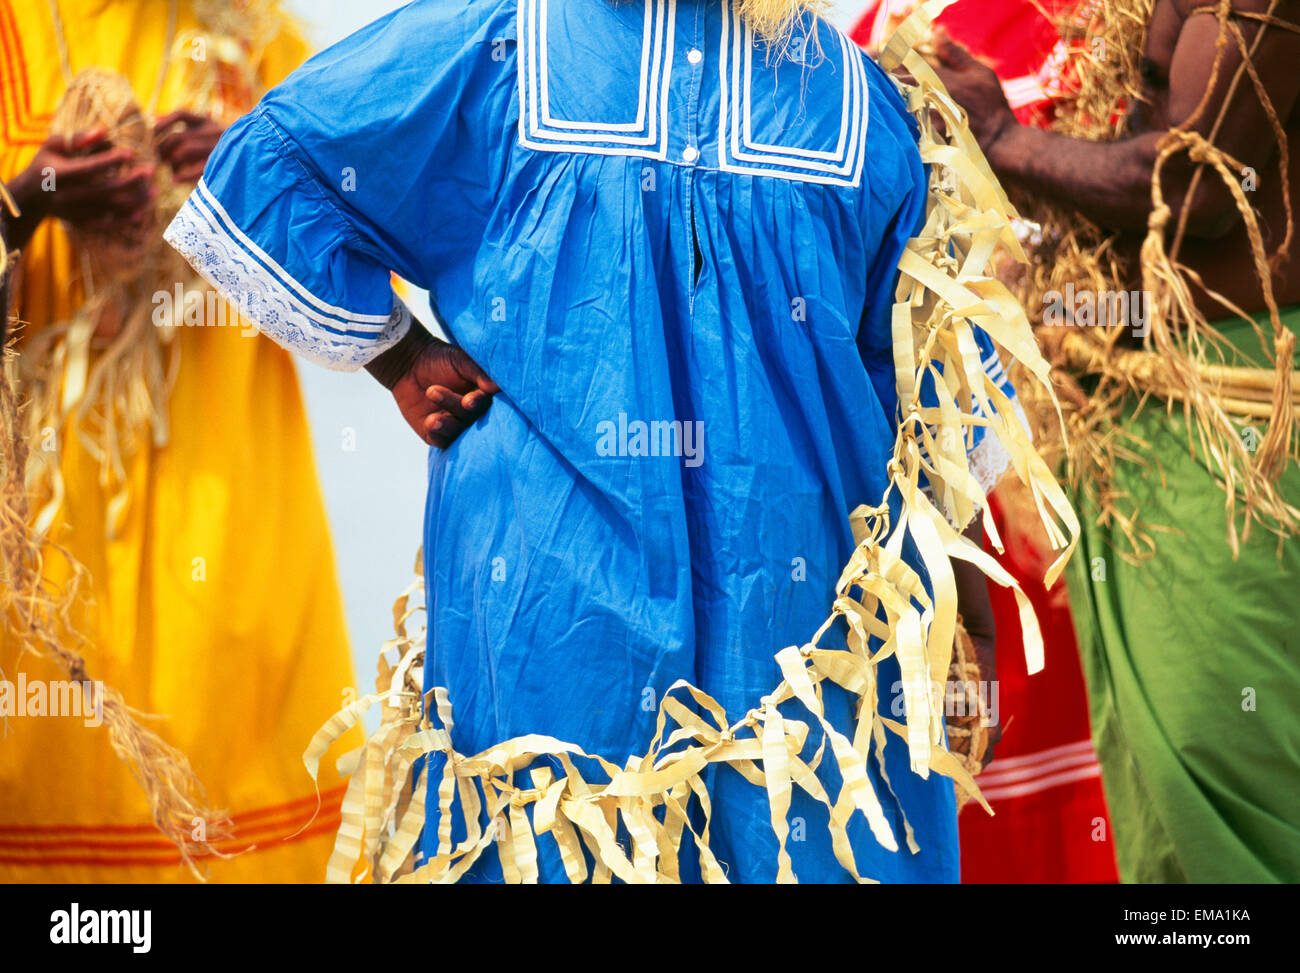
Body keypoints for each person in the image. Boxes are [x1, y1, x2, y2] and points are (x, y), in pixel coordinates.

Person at [168, 0, 1067, 883]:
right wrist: (970, 630)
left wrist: (400, 354)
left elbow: (271, 169)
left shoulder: (495, 49)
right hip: (775, 664)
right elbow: (929, 411)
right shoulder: (857, 105)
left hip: (587, 642)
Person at [930, 0, 1300, 881]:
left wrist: (1003, 140)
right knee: (1157, 790)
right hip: (1142, 422)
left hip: (1236, 414)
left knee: (1222, 761)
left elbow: (1204, 181)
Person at [0, 0, 357, 882]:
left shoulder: (257, 44)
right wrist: (26, 199)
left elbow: (363, 299)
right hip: (42, 570)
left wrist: (256, 184)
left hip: (230, 534)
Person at [854, 0, 1120, 885]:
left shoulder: (1113, 27)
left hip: (1107, 469)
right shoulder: (855, 50)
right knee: (976, 780)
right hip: (944, 488)